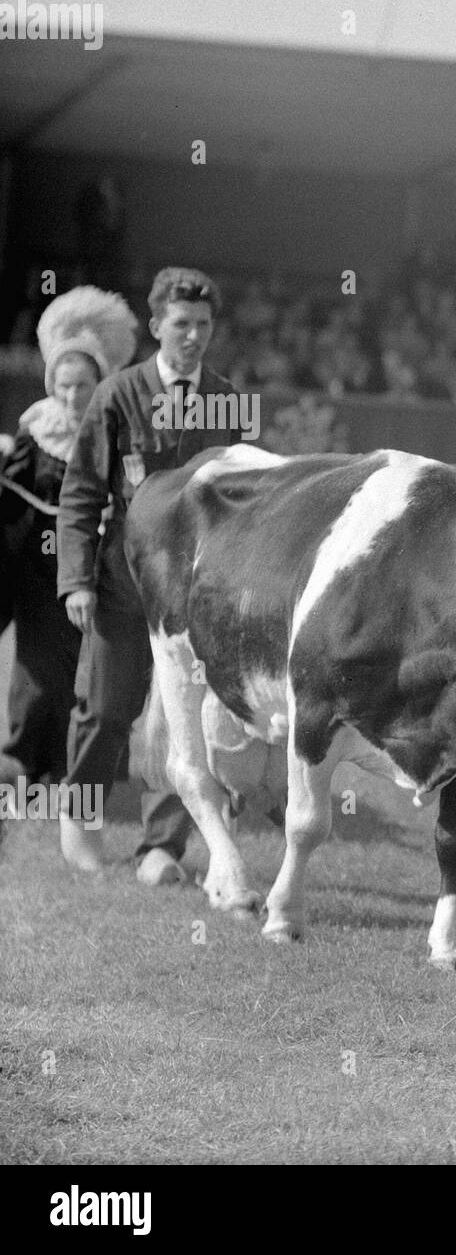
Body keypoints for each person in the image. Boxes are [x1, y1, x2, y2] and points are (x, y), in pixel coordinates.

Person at [57, 267, 244, 879]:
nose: (192, 336)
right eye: (181, 324)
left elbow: (244, 503)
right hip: (120, 587)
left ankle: (163, 846)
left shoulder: (226, 401)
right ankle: (81, 824)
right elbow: (81, 492)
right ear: (157, 325)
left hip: (196, 594)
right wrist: (77, 579)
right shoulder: (118, 395)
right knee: (106, 710)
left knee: (181, 720)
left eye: (203, 325)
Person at [2, 288, 138, 805]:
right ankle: (25, 770)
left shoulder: (114, 432)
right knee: (37, 674)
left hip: (96, 573)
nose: (73, 395)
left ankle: (82, 775)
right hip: (39, 577)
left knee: (94, 679)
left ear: (100, 383)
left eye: (83, 385)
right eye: (64, 385)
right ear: (51, 384)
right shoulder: (35, 430)